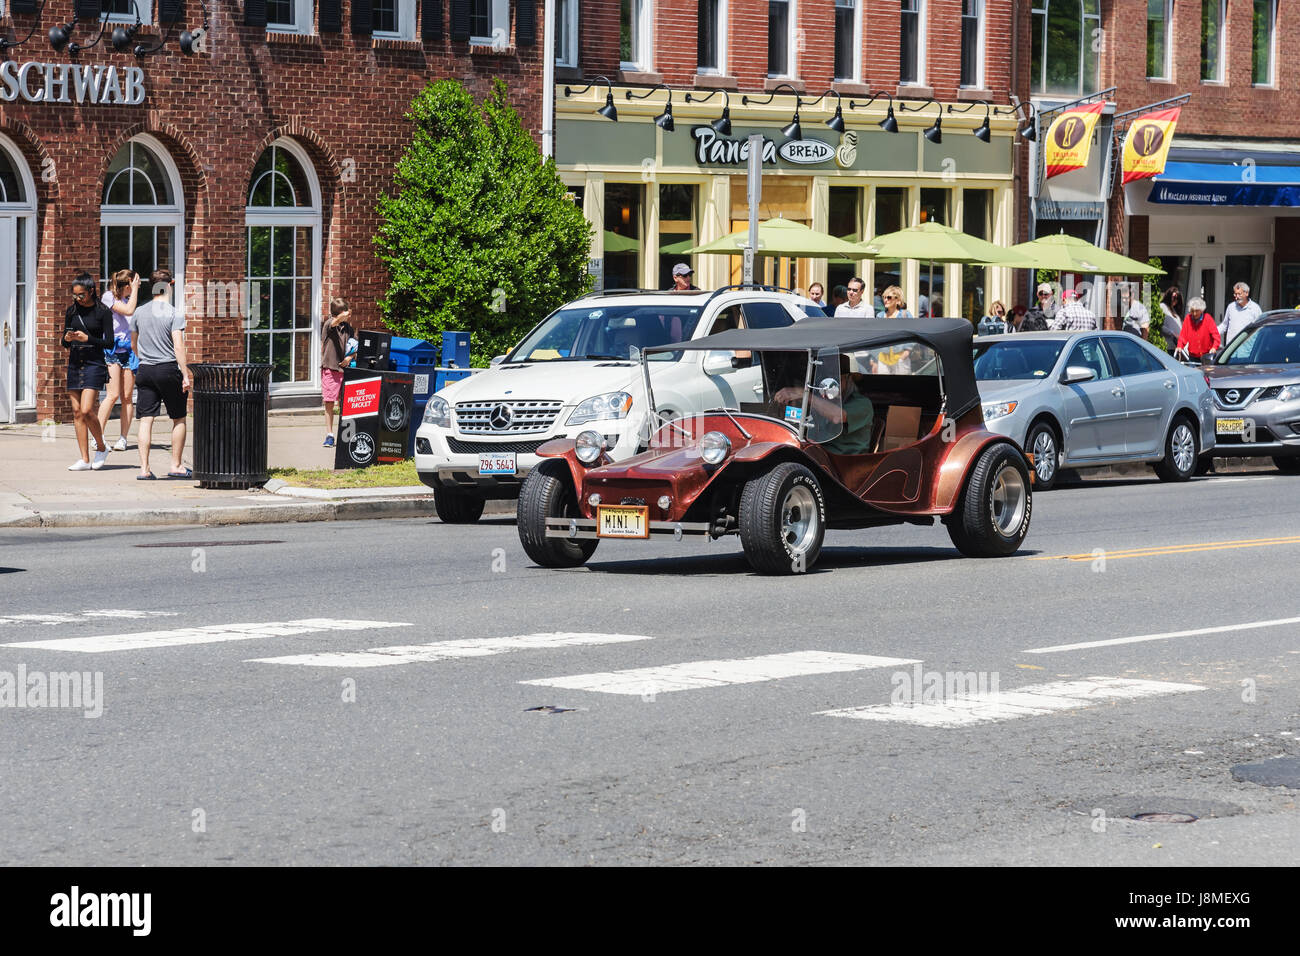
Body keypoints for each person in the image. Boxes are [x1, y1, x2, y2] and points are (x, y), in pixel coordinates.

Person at [130, 268, 191, 480]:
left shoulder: (139, 312)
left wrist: (144, 359)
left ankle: (144, 469)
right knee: (179, 418)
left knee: (146, 420)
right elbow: (178, 347)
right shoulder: (174, 313)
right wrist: (185, 374)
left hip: (145, 370)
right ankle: (176, 465)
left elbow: (133, 344)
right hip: (167, 369)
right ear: (170, 285)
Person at [62, 273, 114, 471]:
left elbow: (109, 342)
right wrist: (67, 338)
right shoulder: (72, 311)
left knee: (86, 410)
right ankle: (84, 459)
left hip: (94, 363)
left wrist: (88, 339)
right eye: (75, 295)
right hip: (75, 362)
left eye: (81, 295)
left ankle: (101, 447)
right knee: (76, 412)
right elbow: (64, 343)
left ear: (91, 291)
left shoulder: (103, 312)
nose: (78, 299)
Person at [773, 355, 873, 455]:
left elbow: (837, 417)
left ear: (848, 379)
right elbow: (798, 419)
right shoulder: (821, 401)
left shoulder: (862, 403)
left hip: (845, 460)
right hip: (818, 454)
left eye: (837, 380)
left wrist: (804, 394)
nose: (831, 386)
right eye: (826, 380)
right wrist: (787, 406)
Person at [96, 269, 141, 452]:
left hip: (128, 351)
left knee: (128, 397)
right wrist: (136, 289)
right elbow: (129, 311)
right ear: (128, 284)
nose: (135, 288)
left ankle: (123, 438)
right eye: (133, 284)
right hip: (113, 350)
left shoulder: (126, 300)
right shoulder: (109, 297)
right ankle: (97, 435)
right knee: (112, 394)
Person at [320, 297, 352, 447]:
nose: (348, 315)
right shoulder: (329, 324)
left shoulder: (348, 328)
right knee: (329, 403)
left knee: (345, 404)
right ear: (338, 313)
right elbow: (334, 322)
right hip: (330, 369)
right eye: (346, 312)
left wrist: (350, 357)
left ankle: (345, 435)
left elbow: (355, 347)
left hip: (344, 370)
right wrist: (341, 316)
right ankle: (329, 435)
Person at [1175, 297, 1221, 363]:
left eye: (1196, 311)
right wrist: (1180, 346)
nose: (1194, 313)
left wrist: (1214, 347)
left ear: (1202, 310)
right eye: (1192, 311)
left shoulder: (1208, 318)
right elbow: (1183, 336)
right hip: (1192, 356)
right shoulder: (1188, 319)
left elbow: (1216, 336)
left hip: (1207, 356)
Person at [1219, 282, 1263, 350]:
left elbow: (1260, 328)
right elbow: (1224, 325)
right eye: (1235, 294)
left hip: (1247, 349)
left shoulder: (1255, 308)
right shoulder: (1231, 307)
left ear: (1247, 293)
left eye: (1239, 294)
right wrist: (1212, 332)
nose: (1237, 296)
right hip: (1231, 350)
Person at [1159, 287, 1185, 351]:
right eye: (1174, 298)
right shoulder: (1162, 306)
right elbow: (1160, 325)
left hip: (1176, 346)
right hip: (1167, 346)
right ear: (1169, 295)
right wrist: (1173, 334)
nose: (1175, 301)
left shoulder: (1174, 310)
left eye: (1177, 299)